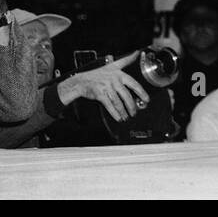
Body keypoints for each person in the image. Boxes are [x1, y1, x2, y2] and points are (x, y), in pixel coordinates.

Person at [0, 8, 155, 149]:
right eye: (26, 43)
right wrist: (74, 86)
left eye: (46, 45)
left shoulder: (66, 111)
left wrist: (153, 106)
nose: (42, 53)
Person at [170, 0, 218, 131]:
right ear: (181, 33)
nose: (201, 27)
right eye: (192, 22)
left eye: (209, 21)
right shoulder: (168, 77)